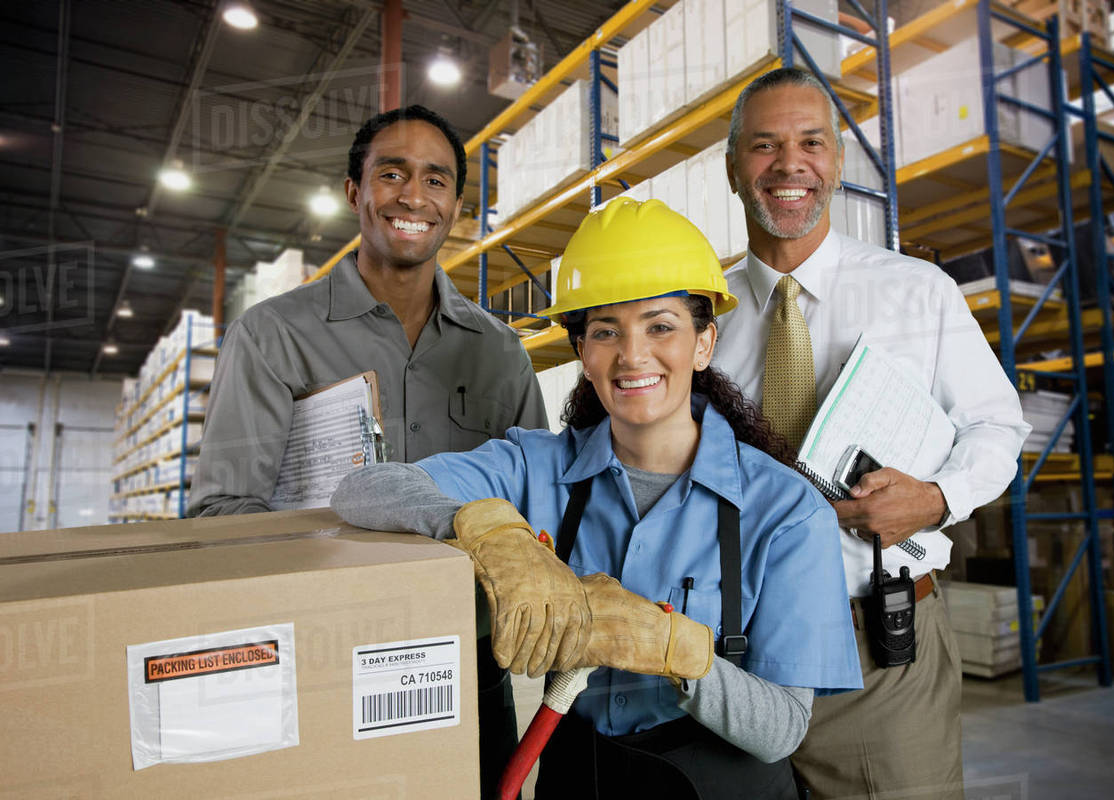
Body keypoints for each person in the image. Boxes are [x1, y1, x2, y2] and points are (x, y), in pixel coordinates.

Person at [331, 198, 862, 800]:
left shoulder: (786, 512)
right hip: (576, 778)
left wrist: (677, 652)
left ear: (704, 343)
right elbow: (365, 488)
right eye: (606, 331)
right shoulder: (537, 467)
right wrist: (489, 530)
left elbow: (781, 731)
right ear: (583, 353)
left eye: (661, 326)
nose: (632, 355)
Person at [187, 104, 548, 796]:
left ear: (456, 205)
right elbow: (222, 517)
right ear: (355, 193)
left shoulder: (499, 353)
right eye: (392, 174)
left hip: (470, 664)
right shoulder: (273, 337)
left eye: (436, 181)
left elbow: (536, 501)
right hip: (324, 659)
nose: (414, 196)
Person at [712, 67, 1032, 799]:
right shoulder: (702, 317)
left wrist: (936, 497)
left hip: (878, 649)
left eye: (811, 143)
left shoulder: (917, 293)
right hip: (736, 654)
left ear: (836, 163)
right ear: (734, 170)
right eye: (764, 146)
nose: (789, 164)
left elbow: (997, 423)